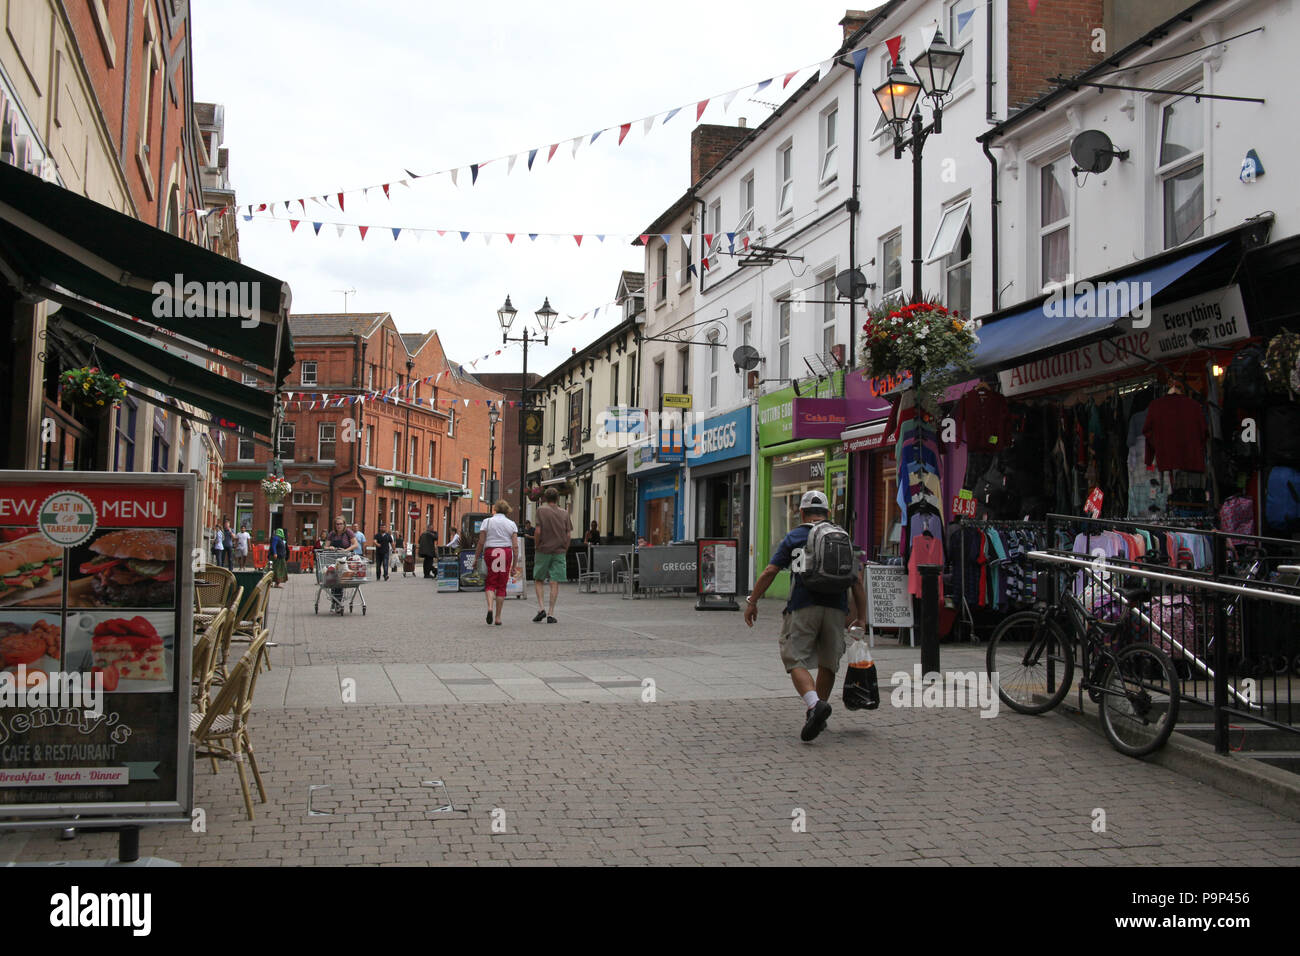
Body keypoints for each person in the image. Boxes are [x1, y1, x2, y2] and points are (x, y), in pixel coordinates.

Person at [744, 490, 867, 743]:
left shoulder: (795, 536)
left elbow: (770, 571)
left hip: (803, 605)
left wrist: (752, 601)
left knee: (793, 656)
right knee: (828, 661)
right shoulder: (842, 537)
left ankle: (813, 705)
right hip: (836, 608)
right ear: (827, 513)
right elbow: (857, 582)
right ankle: (817, 712)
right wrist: (861, 618)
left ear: (800, 512)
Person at [473, 500, 521, 626]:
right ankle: (498, 617)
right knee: (501, 585)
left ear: (495, 509)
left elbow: (481, 542)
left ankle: (490, 607)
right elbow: (515, 547)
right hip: (505, 552)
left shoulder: (487, 522)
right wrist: (514, 566)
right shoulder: (511, 524)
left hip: (491, 552)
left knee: (490, 582)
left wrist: (476, 558)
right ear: (507, 511)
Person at [532, 487, 572, 623]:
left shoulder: (541, 511)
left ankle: (541, 608)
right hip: (559, 551)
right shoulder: (565, 513)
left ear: (545, 498)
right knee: (554, 581)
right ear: (557, 498)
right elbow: (568, 534)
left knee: (538, 579)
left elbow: (538, 531)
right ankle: (551, 613)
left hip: (543, 549)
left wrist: (537, 545)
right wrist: (565, 549)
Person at [325, 516, 356, 614]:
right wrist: (329, 547)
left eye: (340, 524)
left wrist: (346, 550)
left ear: (344, 524)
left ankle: (336, 602)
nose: (339, 526)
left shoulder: (348, 532)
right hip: (333, 559)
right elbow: (325, 546)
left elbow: (355, 544)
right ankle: (335, 602)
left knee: (340, 581)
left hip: (344, 560)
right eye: (337, 524)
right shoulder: (332, 534)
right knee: (333, 580)